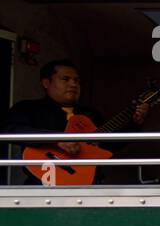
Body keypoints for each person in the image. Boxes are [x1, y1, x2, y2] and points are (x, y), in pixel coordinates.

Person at [4, 60, 148, 184]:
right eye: (65, 79)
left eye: (77, 81)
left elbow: (108, 146)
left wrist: (135, 123)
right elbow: (11, 130)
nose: (73, 84)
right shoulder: (28, 108)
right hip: (41, 184)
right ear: (46, 83)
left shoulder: (90, 113)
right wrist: (57, 140)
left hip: (88, 184)